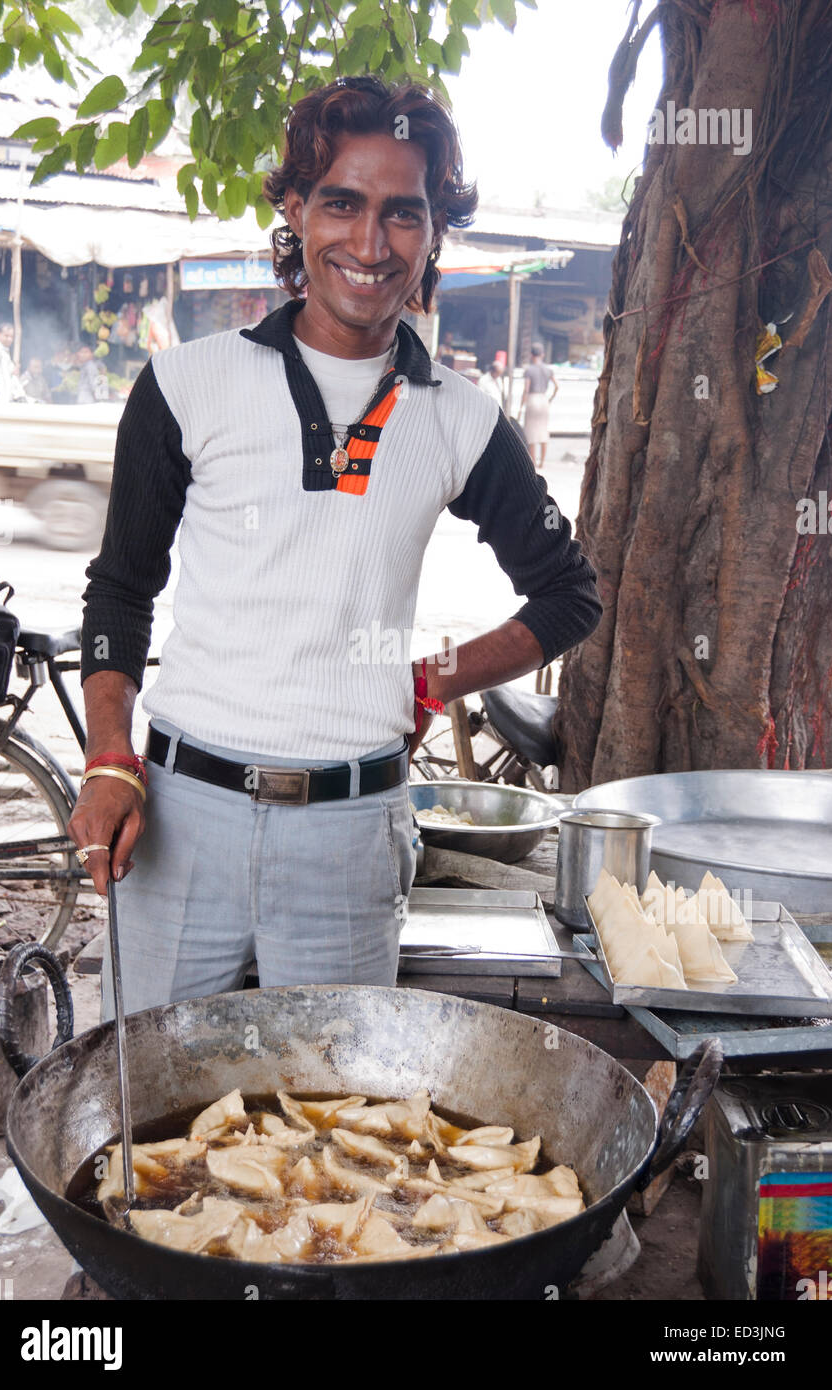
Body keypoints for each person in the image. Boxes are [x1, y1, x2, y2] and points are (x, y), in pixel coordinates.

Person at [70, 75, 602, 1020]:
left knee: (328, 1131)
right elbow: (119, 591)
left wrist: (429, 680)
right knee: (141, 1121)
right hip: (181, 820)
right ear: (294, 209)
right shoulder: (188, 384)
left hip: (353, 834)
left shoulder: (462, 422)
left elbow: (568, 594)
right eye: (342, 203)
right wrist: (109, 758)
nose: (369, 243)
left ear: (435, 232)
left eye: (404, 214)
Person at [520, 341, 558, 472]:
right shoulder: (548, 370)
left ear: (531, 355)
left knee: (531, 432)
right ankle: (542, 462)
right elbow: (557, 386)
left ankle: (533, 462)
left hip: (533, 399)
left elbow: (526, 389)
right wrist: (550, 398)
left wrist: (521, 406)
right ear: (542, 354)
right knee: (543, 431)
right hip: (543, 399)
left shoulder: (529, 370)